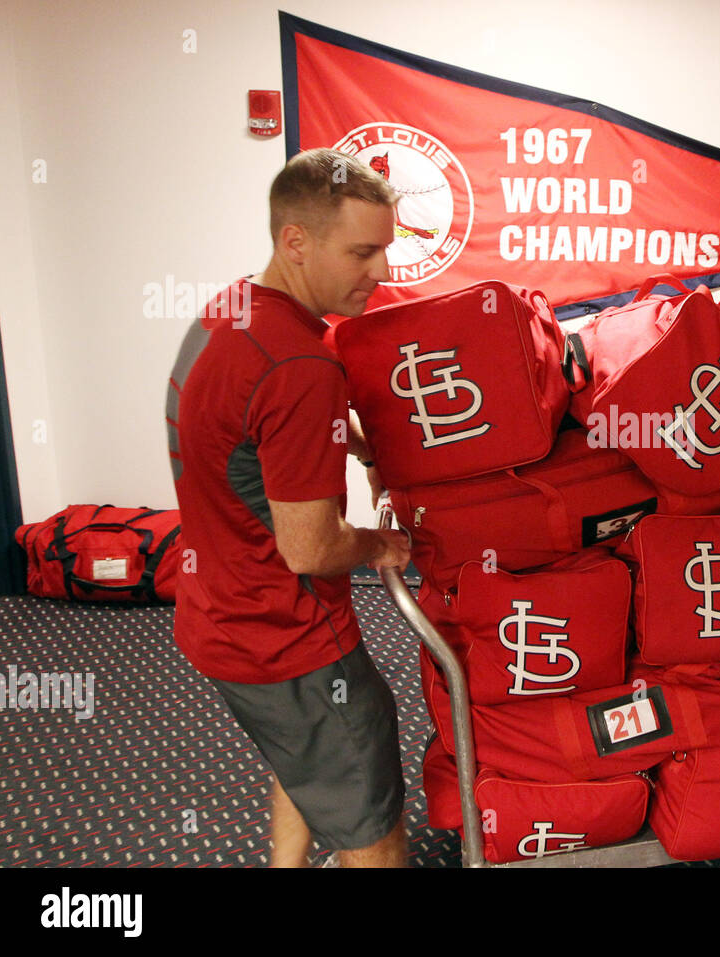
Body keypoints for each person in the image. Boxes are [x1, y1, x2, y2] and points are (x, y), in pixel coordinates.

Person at [165, 148, 412, 867]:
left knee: (306, 759)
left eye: (387, 249)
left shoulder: (232, 311)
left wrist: (363, 447)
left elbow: (249, 428)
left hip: (216, 612)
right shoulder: (301, 364)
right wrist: (379, 545)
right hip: (288, 637)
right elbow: (309, 548)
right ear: (294, 241)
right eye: (363, 251)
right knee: (370, 815)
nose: (384, 272)